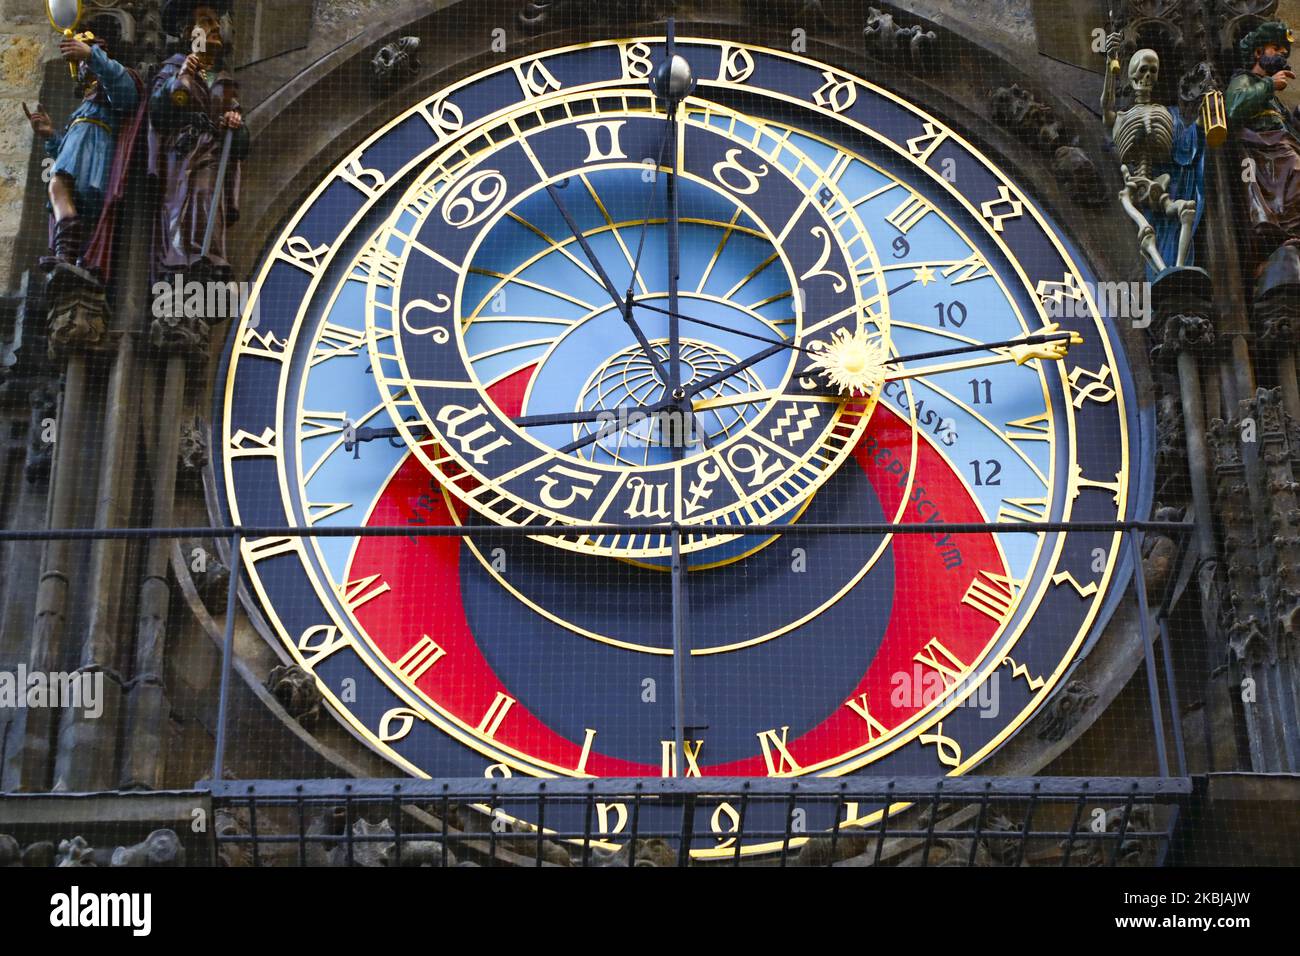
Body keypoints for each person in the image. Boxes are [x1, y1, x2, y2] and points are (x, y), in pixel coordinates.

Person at [25, 34, 144, 280]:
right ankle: (68, 255)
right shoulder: (84, 104)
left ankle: (66, 253)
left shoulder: (114, 83)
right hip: (82, 148)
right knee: (62, 190)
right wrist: (50, 135)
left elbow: (127, 95)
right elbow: (66, 150)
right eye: (80, 63)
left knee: (58, 185)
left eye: (84, 58)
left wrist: (92, 55)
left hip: (96, 147)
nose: (82, 66)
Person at [148, 0, 248, 281]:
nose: (216, 26)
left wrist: (235, 125)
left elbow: (242, 144)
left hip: (212, 154)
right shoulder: (172, 69)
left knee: (207, 201)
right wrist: (182, 75)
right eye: (206, 21)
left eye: (216, 21)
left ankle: (206, 257)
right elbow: (157, 111)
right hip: (181, 154)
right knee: (186, 200)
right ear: (187, 32)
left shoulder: (223, 80)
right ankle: (183, 260)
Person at [1227, 20, 1300, 255]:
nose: (1281, 53)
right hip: (1261, 152)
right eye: (1275, 48)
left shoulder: (1275, 98)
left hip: (1281, 149)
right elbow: (1234, 108)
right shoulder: (1244, 80)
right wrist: (1269, 84)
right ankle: (1280, 238)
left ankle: (1291, 234)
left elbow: (1289, 128)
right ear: (1258, 52)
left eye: (1283, 51)